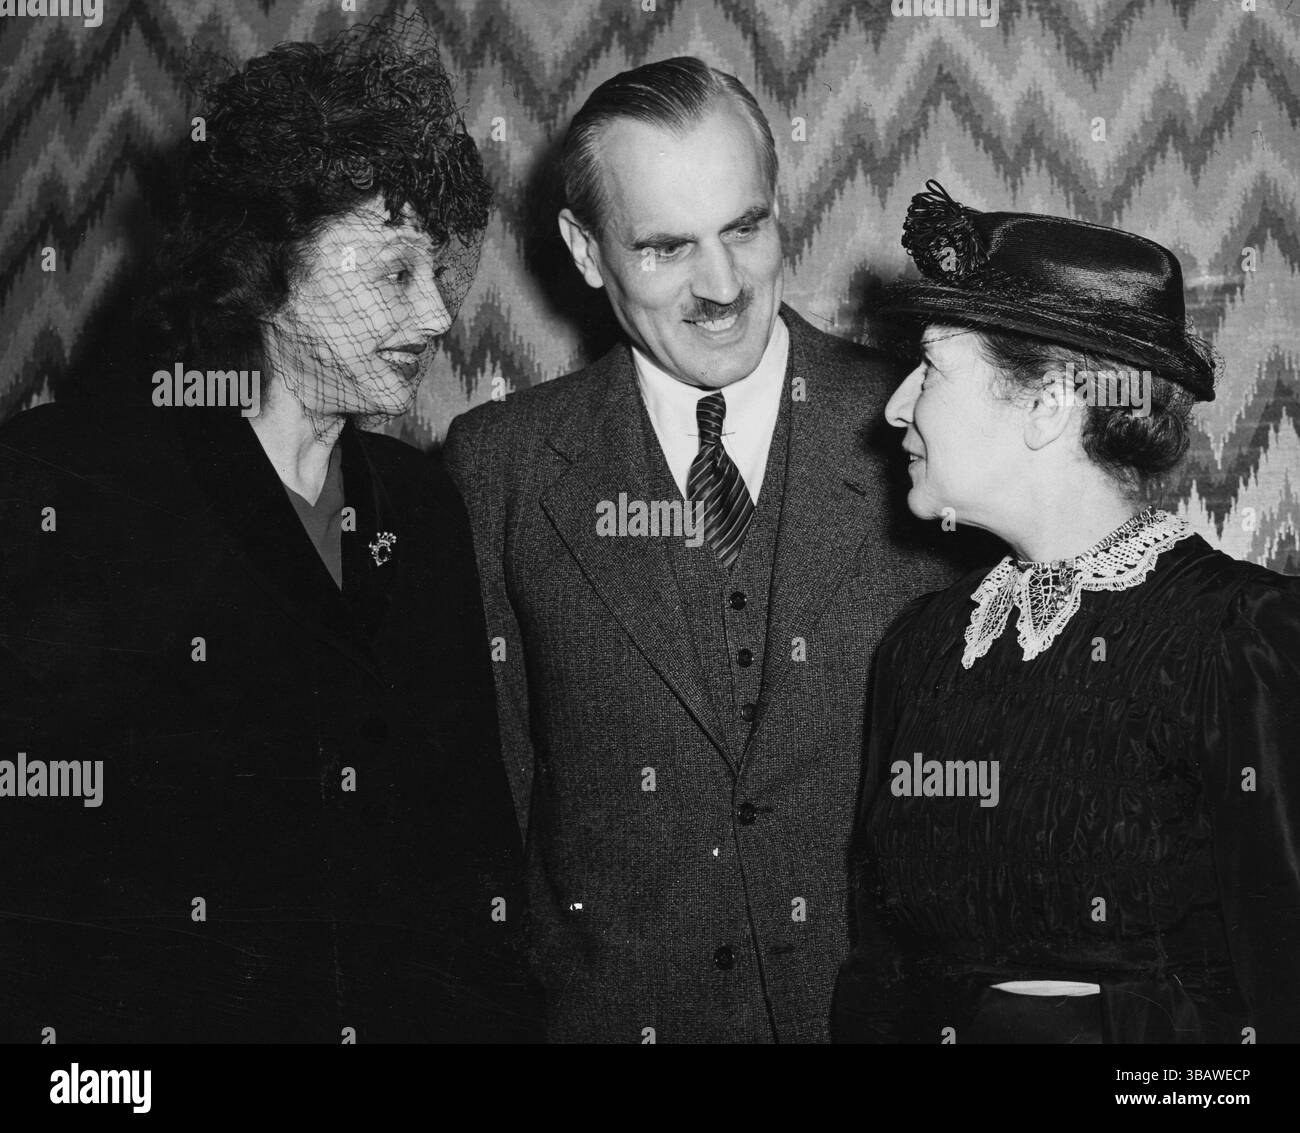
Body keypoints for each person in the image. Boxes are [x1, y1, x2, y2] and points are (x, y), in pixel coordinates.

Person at [0, 21, 540, 1042]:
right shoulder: (67, 488)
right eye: (391, 273)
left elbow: (472, 863)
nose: (435, 316)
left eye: (438, 273)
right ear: (266, 263)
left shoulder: (422, 508)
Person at [442, 59, 976, 1043]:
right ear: (585, 250)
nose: (723, 287)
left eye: (744, 228)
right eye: (664, 247)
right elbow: (489, 819)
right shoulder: (496, 468)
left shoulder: (935, 434)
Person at [832, 180, 1300, 1043]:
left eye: (929, 367)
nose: (895, 406)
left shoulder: (1242, 638)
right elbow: (880, 975)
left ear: (1049, 405)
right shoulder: (921, 648)